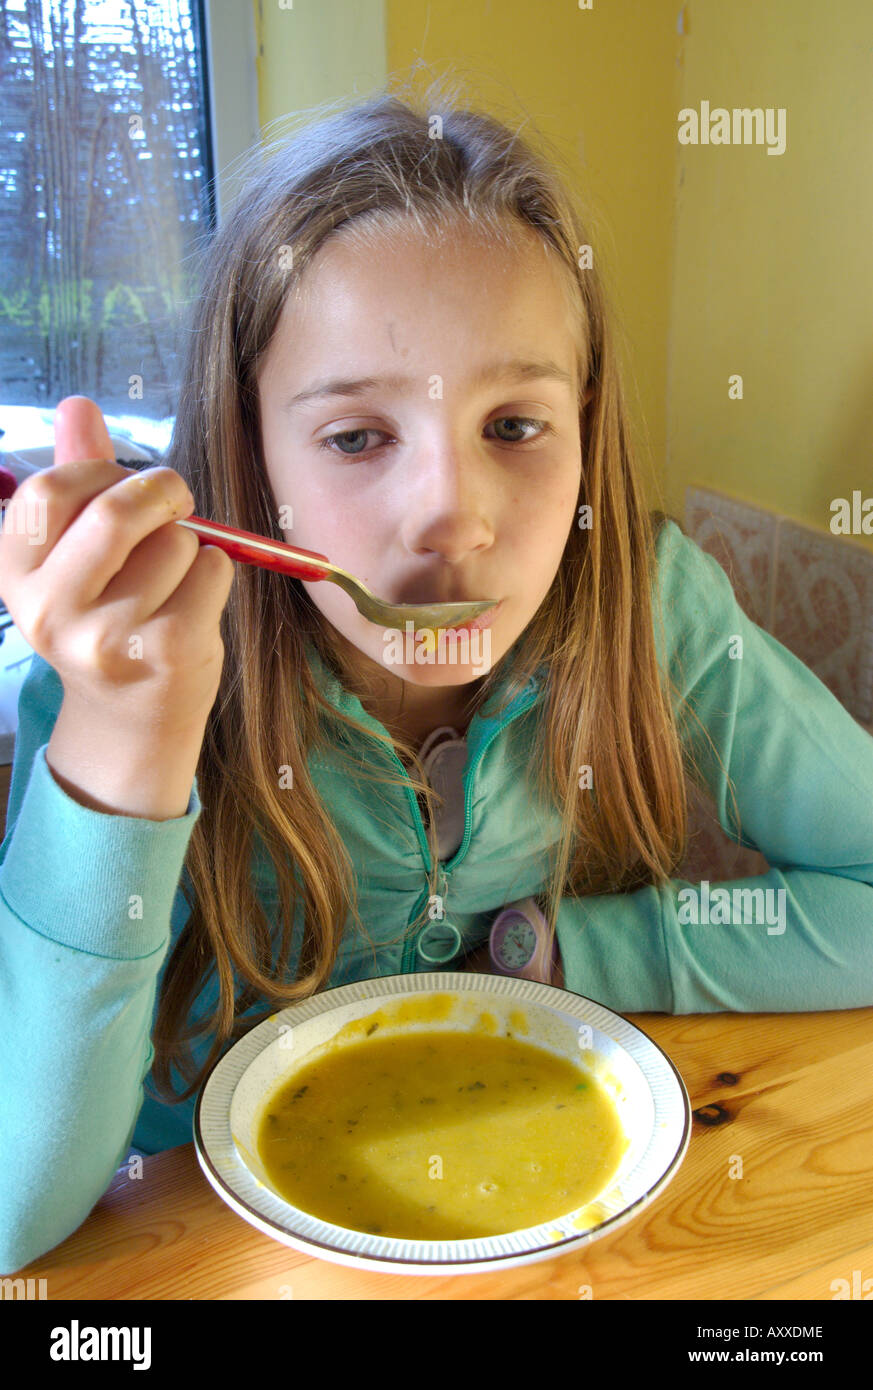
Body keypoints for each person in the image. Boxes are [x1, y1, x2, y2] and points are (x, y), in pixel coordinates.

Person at [0, 80, 871, 1273]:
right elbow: (15, 1209)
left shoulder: (651, 614)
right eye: (356, 437)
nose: (452, 519)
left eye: (515, 427)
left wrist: (570, 958)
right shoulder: (120, 683)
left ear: (586, 434)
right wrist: (127, 735)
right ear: (250, 459)